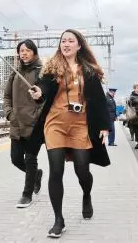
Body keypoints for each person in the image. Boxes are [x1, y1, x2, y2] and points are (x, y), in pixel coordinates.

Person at [29, 29, 110, 238]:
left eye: (70, 41)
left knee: (82, 170)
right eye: (63, 41)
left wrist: (104, 126)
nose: (66, 44)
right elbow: (44, 87)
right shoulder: (52, 67)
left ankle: (86, 194)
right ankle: (58, 219)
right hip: (55, 123)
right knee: (56, 171)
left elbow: (100, 100)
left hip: (81, 124)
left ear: (79, 45)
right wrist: (38, 93)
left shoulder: (89, 70)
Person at [3, 39, 44, 208]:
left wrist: (37, 115)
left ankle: (27, 194)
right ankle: (36, 175)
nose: (24, 53)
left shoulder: (41, 72)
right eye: (21, 51)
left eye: (27, 50)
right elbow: (6, 97)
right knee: (16, 159)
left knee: (30, 159)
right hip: (16, 123)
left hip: (34, 125)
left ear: (34, 52)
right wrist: (9, 113)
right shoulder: (14, 72)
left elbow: (46, 98)